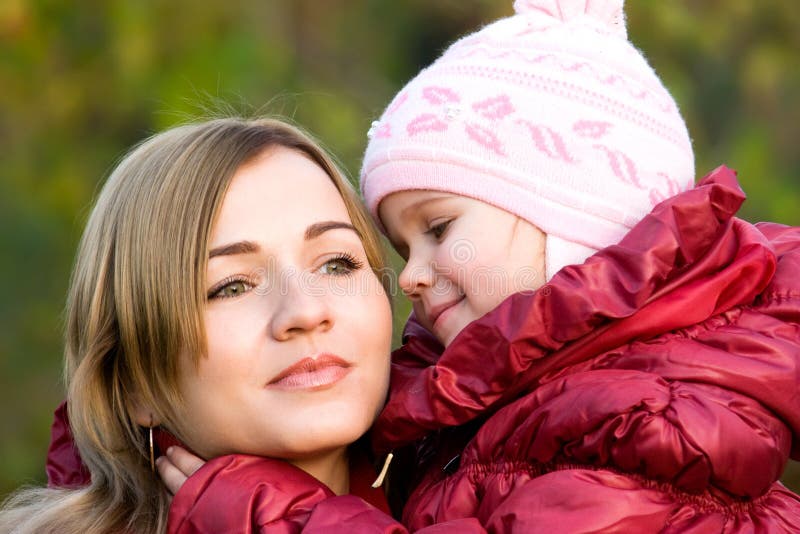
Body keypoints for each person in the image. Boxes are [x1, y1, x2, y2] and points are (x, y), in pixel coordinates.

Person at [359, 0, 800, 531]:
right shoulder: (512, 407)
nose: (410, 276)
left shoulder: (634, 426)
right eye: (404, 249)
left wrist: (285, 509)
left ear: (577, 225)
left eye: (438, 229)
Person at [0, 117, 407, 533]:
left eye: (337, 264)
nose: (305, 312)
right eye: (232, 287)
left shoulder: (465, 501)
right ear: (135, 384)